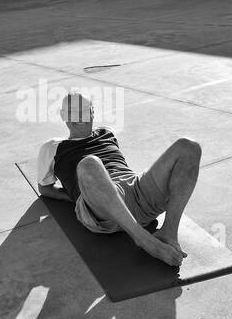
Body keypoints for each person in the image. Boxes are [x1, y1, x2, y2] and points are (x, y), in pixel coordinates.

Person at [35, 91, 200, 267]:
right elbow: (45, 189)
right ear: (63, 116)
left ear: (92, 112)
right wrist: (80, 195)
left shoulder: (107, 132)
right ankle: (145, 240)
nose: (80, 117)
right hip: (101, 213)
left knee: (188, 146)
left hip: (137, 192)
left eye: (84, 110)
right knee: (89, 163)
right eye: (73, 112)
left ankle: (169, 232)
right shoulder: (52, 148)